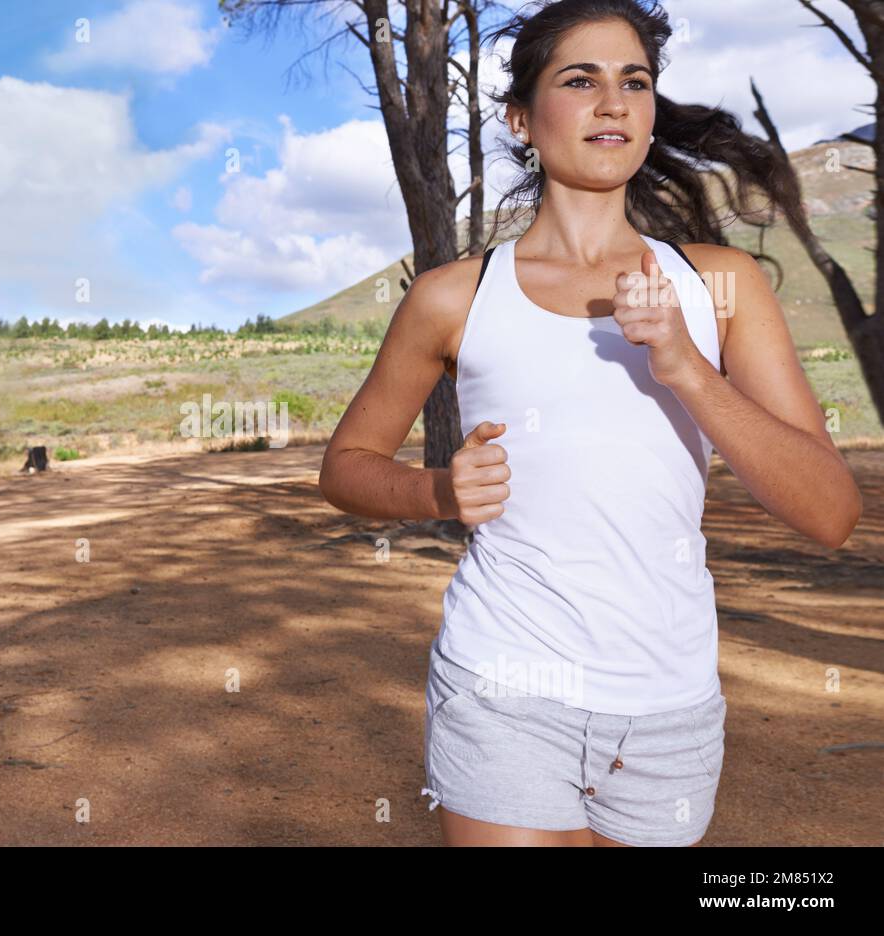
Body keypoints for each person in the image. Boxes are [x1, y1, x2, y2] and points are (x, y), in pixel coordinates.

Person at [317, 0, 863, 846]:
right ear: (522, 119)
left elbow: (830, 514)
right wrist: (438, 489)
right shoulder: (453, 296)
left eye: (634, 82)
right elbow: (345, 467)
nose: (614, 102)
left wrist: (686, 368)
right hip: (502, 682)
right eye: (582, 80)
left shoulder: (720, 288)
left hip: (670, 705)